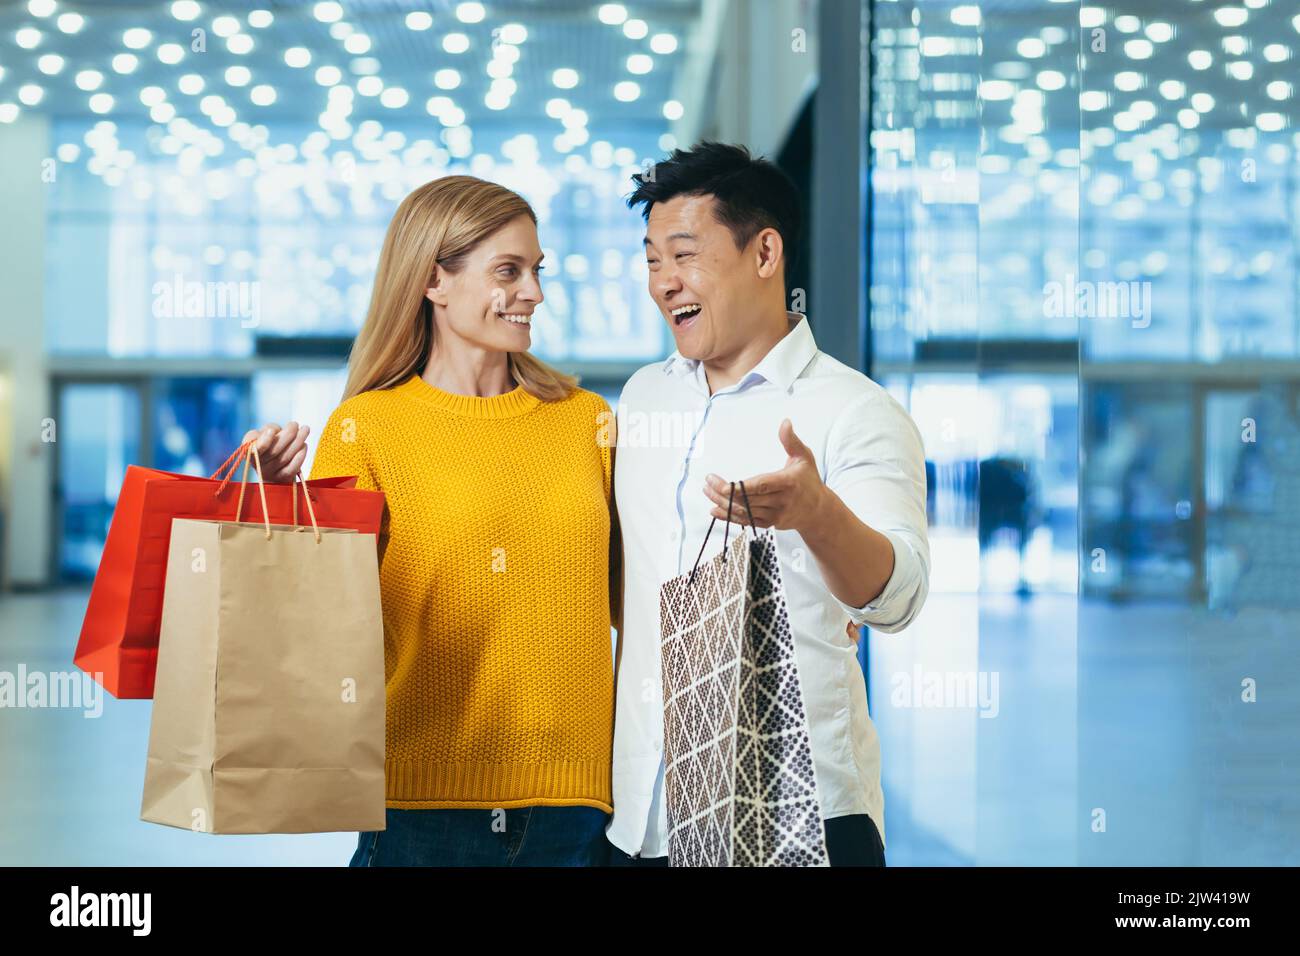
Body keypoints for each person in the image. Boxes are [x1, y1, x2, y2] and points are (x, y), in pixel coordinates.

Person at [244, 175, 618, 866]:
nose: (534, 292)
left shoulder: (586, 421)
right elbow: (320, 623)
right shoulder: (367, 427)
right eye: (509, 271)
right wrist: (278, 508)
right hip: (423, 811)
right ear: (432, 281)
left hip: (579, 806)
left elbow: (635, 593)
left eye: (538, 271)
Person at [606, 142, 930, 866]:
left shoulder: (854, 411)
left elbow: (898, 596)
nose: (664, 282)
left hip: (793, 819)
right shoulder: (642, 398)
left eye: (684, 254)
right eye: (652, 259)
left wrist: (817, 514)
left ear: (765, 254)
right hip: (641, 819)